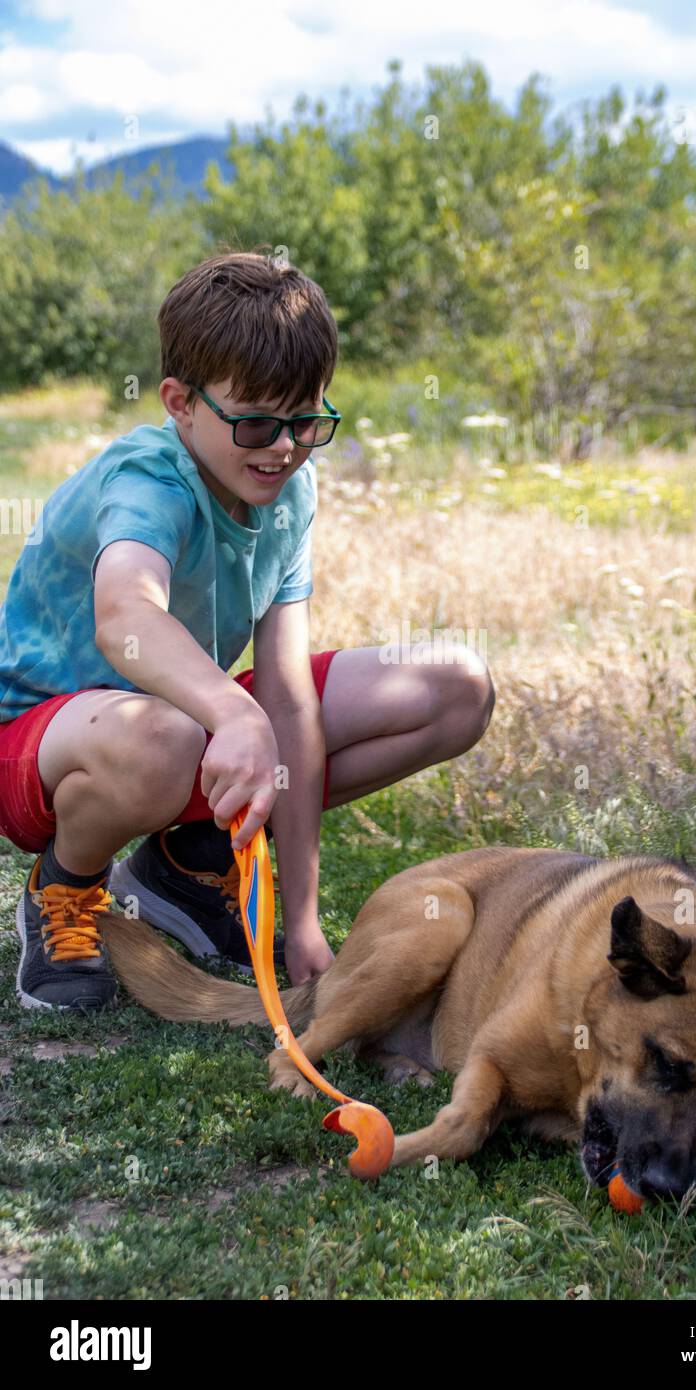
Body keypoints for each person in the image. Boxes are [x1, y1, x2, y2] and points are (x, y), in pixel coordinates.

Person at [0, 251, 495, 1012]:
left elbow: (290, 701)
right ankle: (66, 886)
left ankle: (188, 868)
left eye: (307, 421)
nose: (284, 447)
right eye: (257, 422)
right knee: (164, 738)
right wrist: (233, 713)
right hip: (41, 748)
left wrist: (300, 923)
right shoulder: (149, 480)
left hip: (179, 730)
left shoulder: (287, 487)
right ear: (179, 401)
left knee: (454, 687)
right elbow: (124, 616)